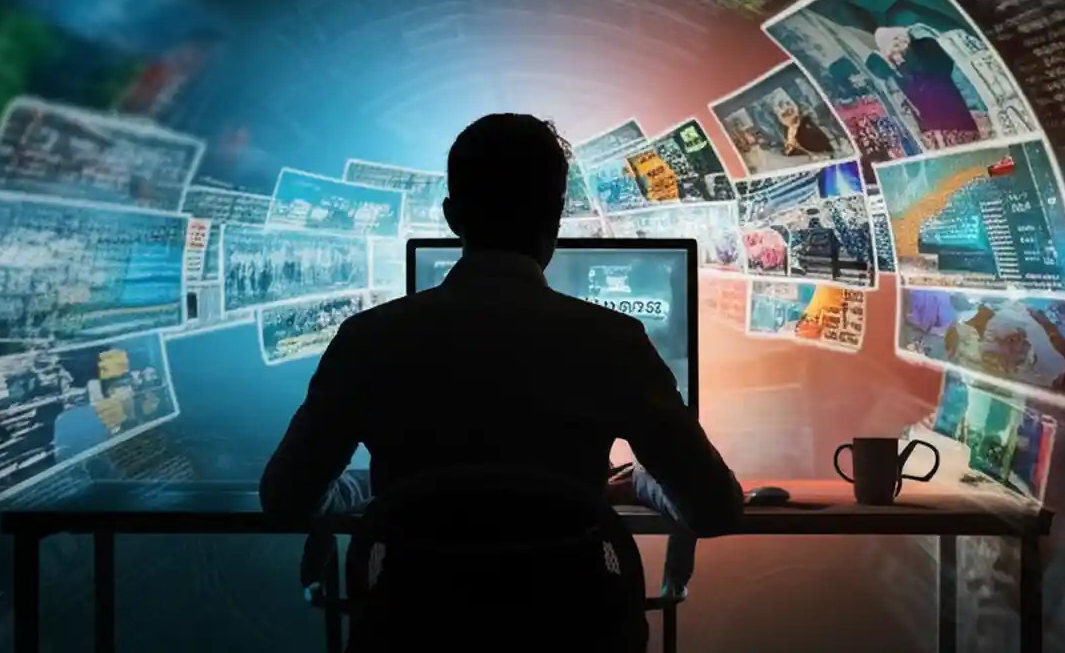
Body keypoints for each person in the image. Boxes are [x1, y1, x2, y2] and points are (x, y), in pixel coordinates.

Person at [260, 113, 743, 644]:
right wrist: (639, 484)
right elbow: (715, 508)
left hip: (413, 631)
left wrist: (374, 487)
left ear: (450, 216)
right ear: (556, 214)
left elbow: (286, 499)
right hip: (572, 633)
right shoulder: (613, 341)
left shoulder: (366, 339)